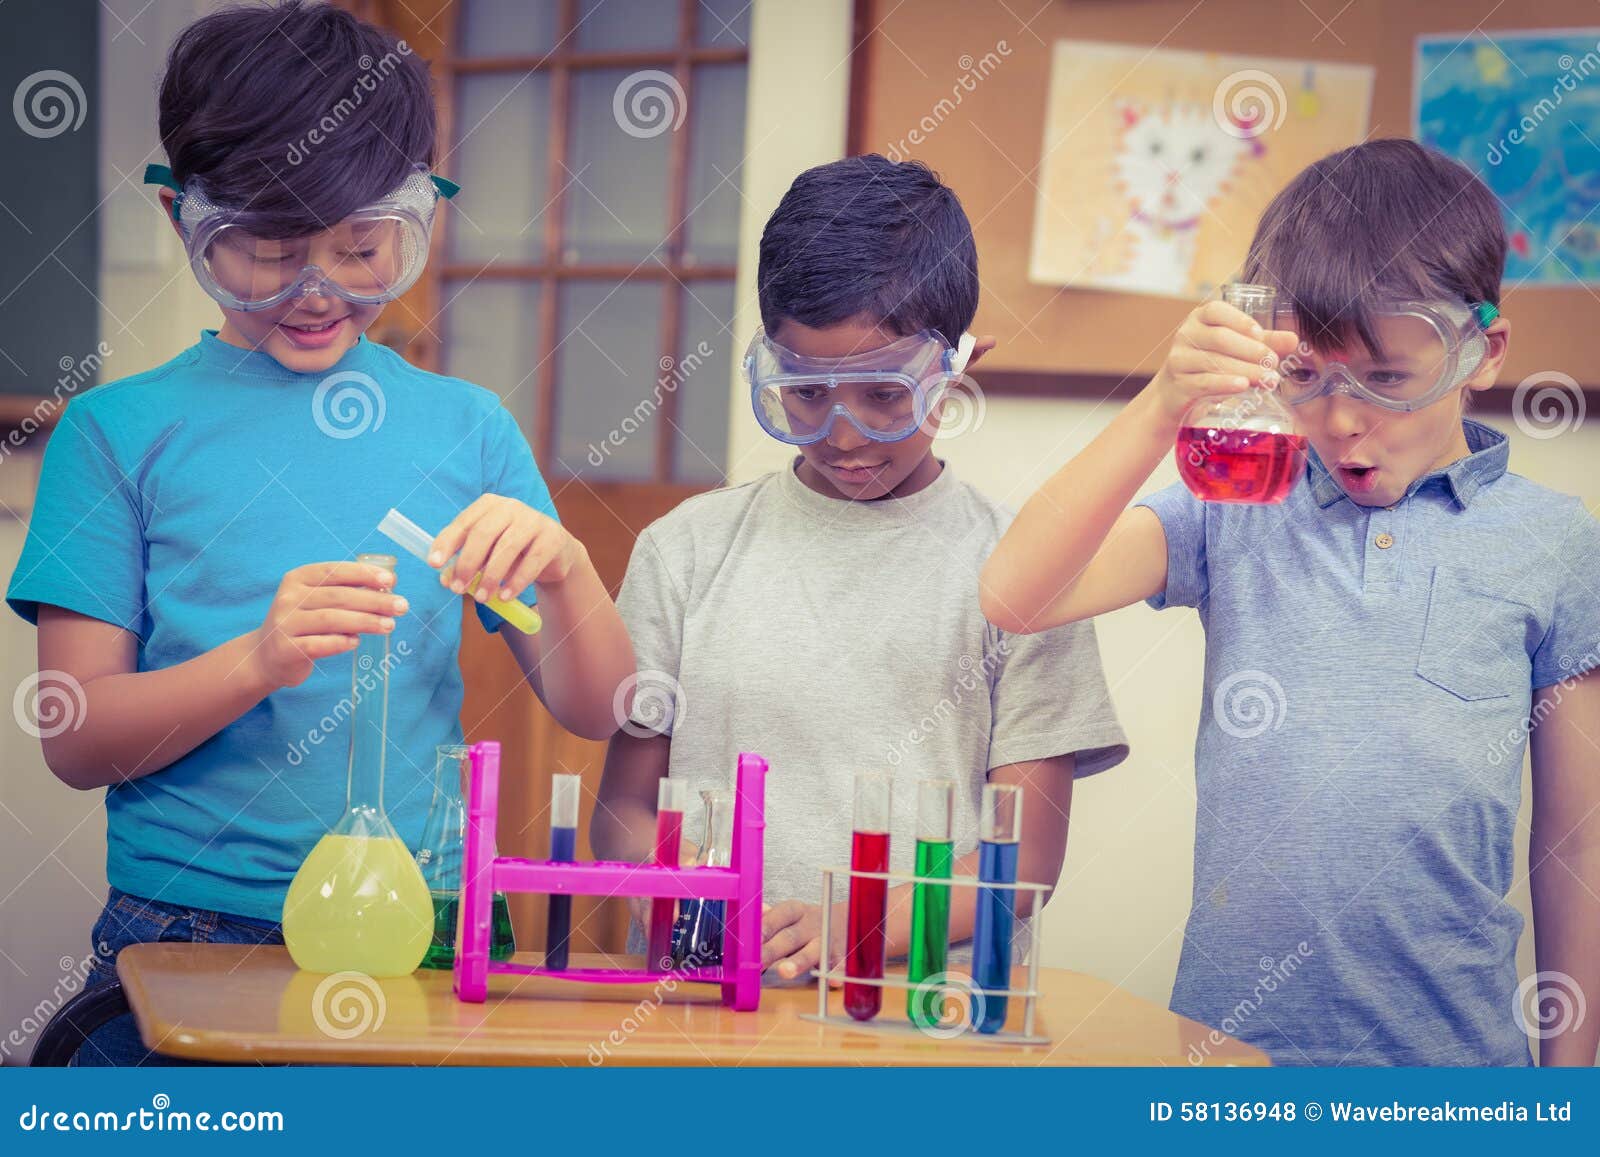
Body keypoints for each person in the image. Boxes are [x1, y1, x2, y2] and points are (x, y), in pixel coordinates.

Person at [7, 0, 633, 1066]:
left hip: (426, 927)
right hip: (193, 930)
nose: (317, 289)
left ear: (417, 217)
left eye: (360, 249)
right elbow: (76, 736)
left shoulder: (467, 427)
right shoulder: (115, 433)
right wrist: (255, 659)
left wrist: (567, 569)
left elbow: (597, 703)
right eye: (264, 250)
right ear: (183, 220)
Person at [981, 139, 1600, 1066]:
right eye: (1306, 377)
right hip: (1231, 1062)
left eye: (1388, 378)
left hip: (1461, 1068)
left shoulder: (1554, 542)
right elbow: (1014, 594)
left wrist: (1571, 1091)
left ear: (1481, 352)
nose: (1343, 420)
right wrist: (1162, 404)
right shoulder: (1234, 505)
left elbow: (1575, 845)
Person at [593, 154, 1127, 985]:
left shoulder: (1028, 573)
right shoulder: (685, 551)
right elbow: (623, 810)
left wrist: (861, 925)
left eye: (884, 395)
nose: (843, 434)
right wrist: (691, 888)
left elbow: (1024, 865)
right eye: (805, 392)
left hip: (927, 1027)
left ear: (955, 366)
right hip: (703, 1013)